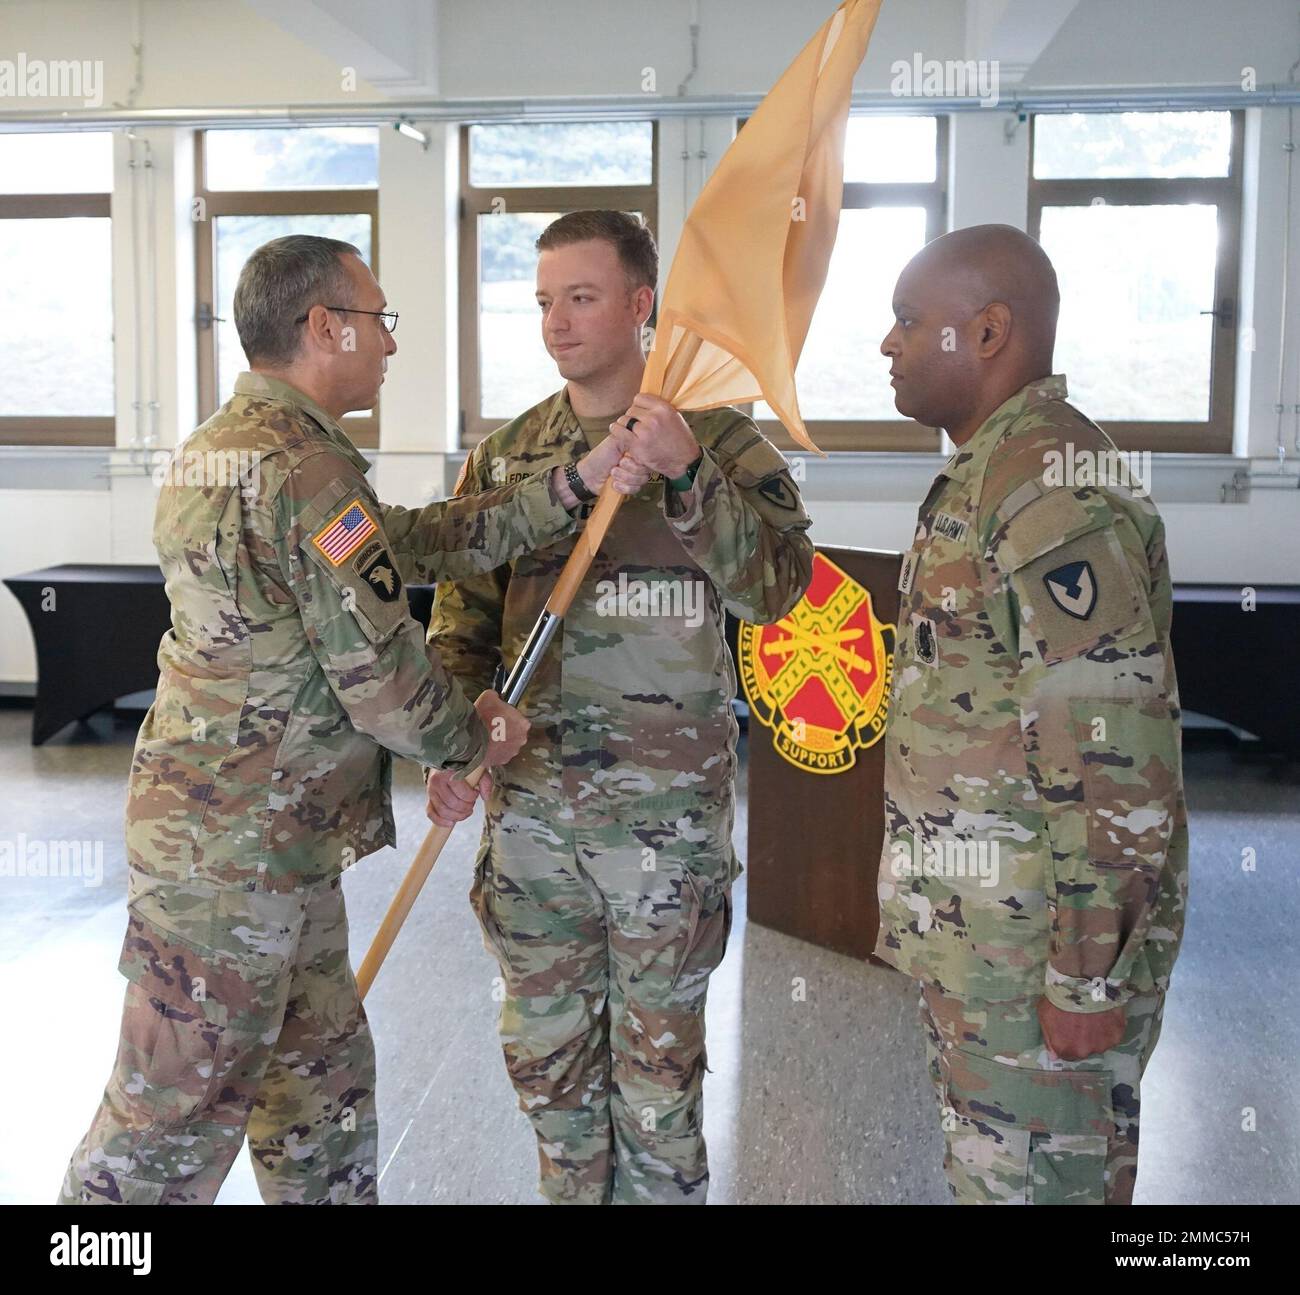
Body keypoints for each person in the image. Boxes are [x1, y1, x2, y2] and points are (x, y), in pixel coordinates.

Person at [59, 233, 644, 1205]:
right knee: (163, 1126)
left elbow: (404, 543)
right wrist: (474, 738)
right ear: (324, 326)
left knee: (320, 1094)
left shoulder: (228, 446)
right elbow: (379, 676)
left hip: (265, 846)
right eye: (379, 320)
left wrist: (567, 489)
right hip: (234, 866)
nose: (391, 344)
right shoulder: (304, 470)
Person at [426, 210, 814, 1204]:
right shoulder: (514, 454)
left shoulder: (722, 443)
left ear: (642, 305)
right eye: (544, 301)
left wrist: (687, 477)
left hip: (663, 829)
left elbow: (777, 591)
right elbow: (459, 612)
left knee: (657, 1084)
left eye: (582, 297)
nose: (557, 322)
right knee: (550, 1073)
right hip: (531, 826)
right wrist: (459, 721)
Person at [875, 223, 1187, 1206]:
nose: (888, 345)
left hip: (1037, 955)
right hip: (986, 941)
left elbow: (1110, 755)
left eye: (907, 321)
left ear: (988, 331)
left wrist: (1086, 976)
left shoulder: (1049, 491)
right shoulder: (995, 470)